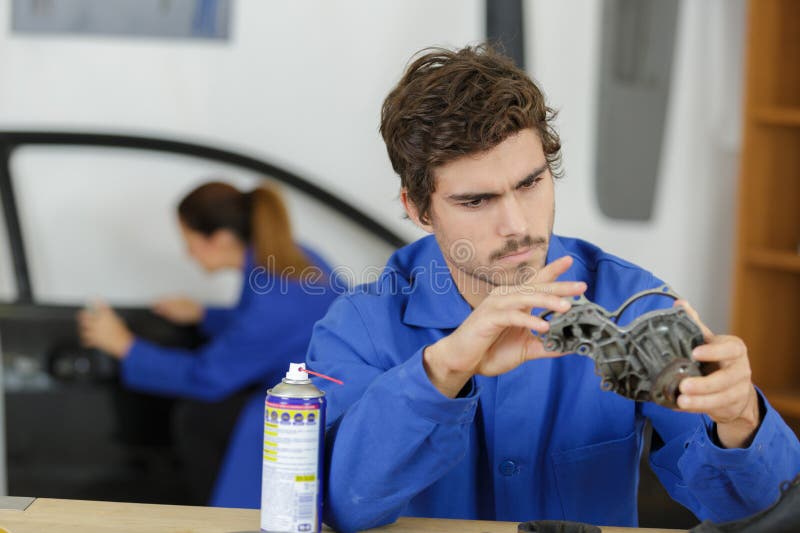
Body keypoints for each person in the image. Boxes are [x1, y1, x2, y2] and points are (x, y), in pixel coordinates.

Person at [305, 45, 800, 532]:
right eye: (476, 201)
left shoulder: (630, 303)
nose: (517, 225)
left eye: (529, 184)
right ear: (418, 209)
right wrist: (445, 369)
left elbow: (760, 514)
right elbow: (337, 504)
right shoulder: (358, 329)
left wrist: (740, 419)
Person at [78, 181, 338, 506]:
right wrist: (203, 315)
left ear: (221, 239)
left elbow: (207, 377)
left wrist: (125, 347)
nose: (187, 254)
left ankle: (215, 520)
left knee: (197, 418)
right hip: (316, 384)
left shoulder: (274, 298)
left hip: (311, 407)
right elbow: (269, 330)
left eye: (190, 242)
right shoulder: (290, 258)